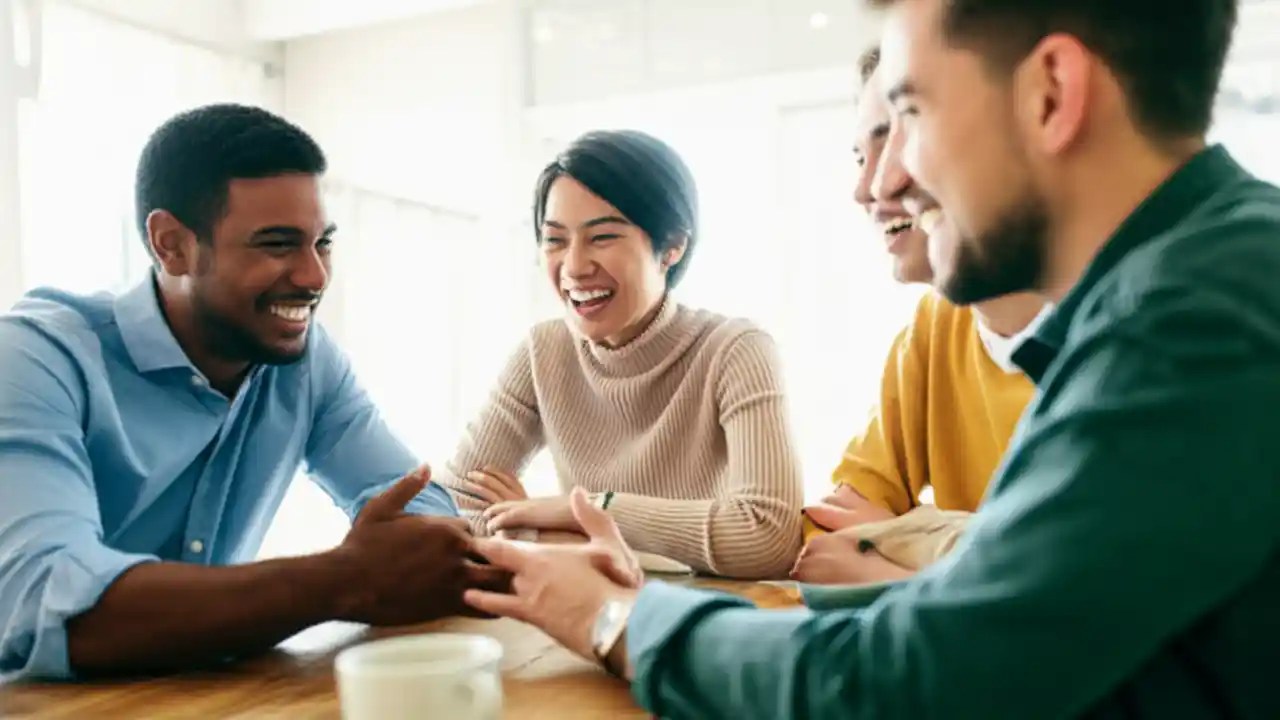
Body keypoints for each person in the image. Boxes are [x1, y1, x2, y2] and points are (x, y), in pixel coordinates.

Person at [461, 0, 1280, 717]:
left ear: (1052, 94)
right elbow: (996, 636)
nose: (883, 181)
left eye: (910, 115)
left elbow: (921, 681)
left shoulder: (1194, 323)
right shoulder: (1192, 279)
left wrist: (614, 622)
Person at [0, 104, 504, 682]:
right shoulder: (32, 359)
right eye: (277, 244)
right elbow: (46, 607)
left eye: (323, 244)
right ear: (172, 245)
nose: (314, 276)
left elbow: (414, 507)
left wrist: (408, 551)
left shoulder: (305, 361)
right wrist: (344, 578)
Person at [433, 129, 804, 579]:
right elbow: (445, 510)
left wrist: (588, 512)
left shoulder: (736, 351)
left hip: (711, 621)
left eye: (602, 236)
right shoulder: (542, 353)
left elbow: (767, 537)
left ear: (672, 246)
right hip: (589, 611)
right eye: (554, 240)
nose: (573, 266)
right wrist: (538, 535)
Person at [793, 47, 1048, 585]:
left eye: (899, 135)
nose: (870, 188)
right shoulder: (935, 328)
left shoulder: (1143, 327)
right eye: (861, 156)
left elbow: (1071, 578)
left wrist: (909, 560)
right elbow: (830, 524)